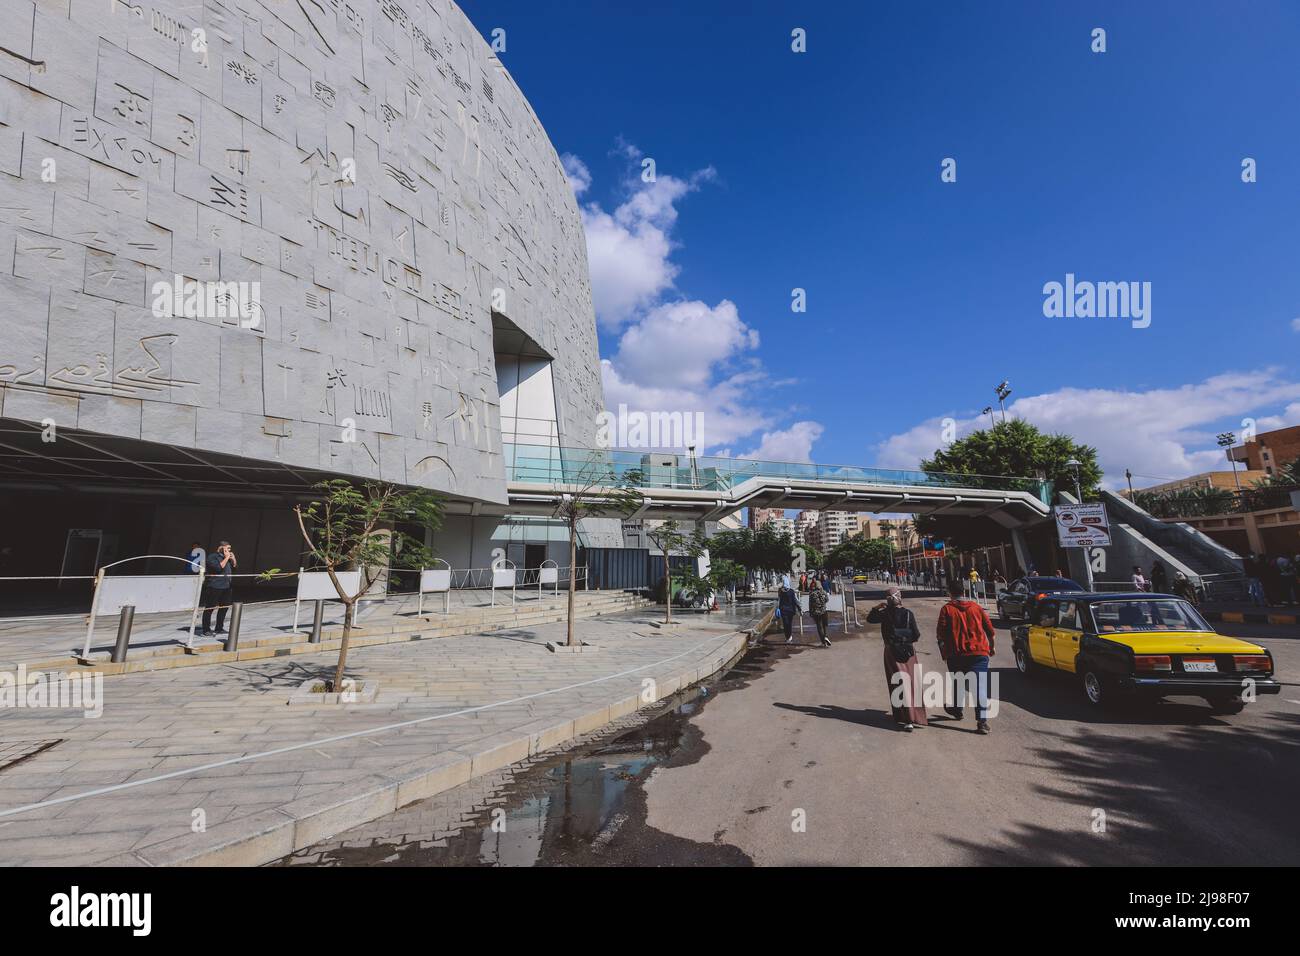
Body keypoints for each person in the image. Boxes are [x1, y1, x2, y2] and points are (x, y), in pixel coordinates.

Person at [936, 578, 996, 734]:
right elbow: (990, 631)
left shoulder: (947, 609)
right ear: (963, 591)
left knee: (958, 682)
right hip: (979, 652)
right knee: (979, 687)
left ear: (950, 593)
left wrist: (944, 652)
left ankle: (957, 709)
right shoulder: (976, 607)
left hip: (956, 654)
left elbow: (940, 635)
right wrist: (992, 648)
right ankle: (982, 722)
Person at [867, 588, 926, 731]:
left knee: (898, 683)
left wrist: (876, 607)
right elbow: (916, 635)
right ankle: (916, 715)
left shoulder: (885, 614)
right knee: (912, 683)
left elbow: (870, 619)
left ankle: (905, 718)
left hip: (891, 652)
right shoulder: (908, 614)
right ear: (900, 597)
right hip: (909, 653)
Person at [201, 540, 237, 636]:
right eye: (227, 548)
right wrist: (227, 557)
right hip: (215, 585)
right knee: (210, 608)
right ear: (221, 548)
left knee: (224, 607)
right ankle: (206, 629)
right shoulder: (212, 557)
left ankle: (219, 628)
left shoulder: (227, 557)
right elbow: (218, 568)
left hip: (227, 586)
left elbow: (234, 568)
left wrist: (233, 559)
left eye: (230, 549)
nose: (229, 550)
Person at [808, 579, 831, 647]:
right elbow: (827, 600)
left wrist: (810, 613)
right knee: (824, 625)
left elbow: (810, 604)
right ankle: (826, 636)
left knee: (819, 627)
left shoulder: (812, 594)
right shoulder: (823, 592)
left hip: (816, 613)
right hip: (824, 611)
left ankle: (823, 642)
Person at [777, 580, 800, 645]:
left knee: (786, 624)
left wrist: (778, 607)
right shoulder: (791, 591)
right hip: (790, 610)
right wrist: (799, 607)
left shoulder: (781, 591)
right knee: (788, 624)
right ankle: (788, 637)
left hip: (784, 610)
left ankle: (788, 637)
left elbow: (779, 600)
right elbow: (795, 600)